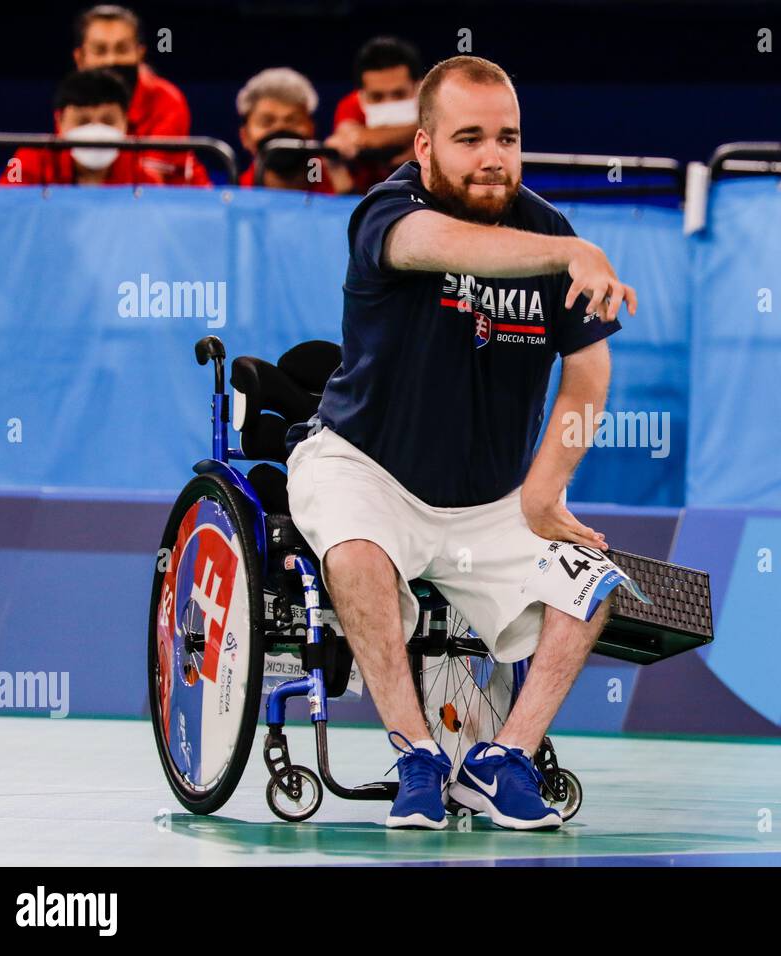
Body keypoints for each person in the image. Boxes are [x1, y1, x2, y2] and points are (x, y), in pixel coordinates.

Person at [284, 55, 636, 831]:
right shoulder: (389, 212)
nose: (492, 157)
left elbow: (588, 374)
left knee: (592, 585)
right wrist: (566, 256)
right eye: (469, 138)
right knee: (356, 555)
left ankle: (504, 758)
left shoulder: (549, 230)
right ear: (424, 146)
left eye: (507, 138)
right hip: (364, 468)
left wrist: (543, 491)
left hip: (486, 500)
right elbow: (448, 247)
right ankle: (415, 753)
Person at [71, 4, 209, 185]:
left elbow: (149, 186)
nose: (111, 60)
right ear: (80, 58)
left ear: (139, 53)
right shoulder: (70, 102)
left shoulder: (167, 100)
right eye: (100, 50)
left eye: (122, 49)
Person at [0, 69, 163, 186]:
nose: (96, 133)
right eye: (82, 122)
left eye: (108, 121)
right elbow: (4, 214)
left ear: (126, 122)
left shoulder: (143, 179)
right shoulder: (28, 160)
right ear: (59, 121)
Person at [325, 36, 424, 193]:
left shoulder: (435, 100)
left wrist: (370, 137)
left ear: (419, 86)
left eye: (399, 94)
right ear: (362, 95)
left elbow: (362, 138)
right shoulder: (350, 105)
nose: (389, 103)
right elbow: (350, 138)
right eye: (377, 97)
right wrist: (425, 130)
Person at [234, 67, 348, 193]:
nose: (280, 128)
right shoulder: (236, 196)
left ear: (312, 128)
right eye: (267, 122)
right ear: (245, 136)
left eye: (293, 120)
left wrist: (344, 190)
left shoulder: (337, 183)